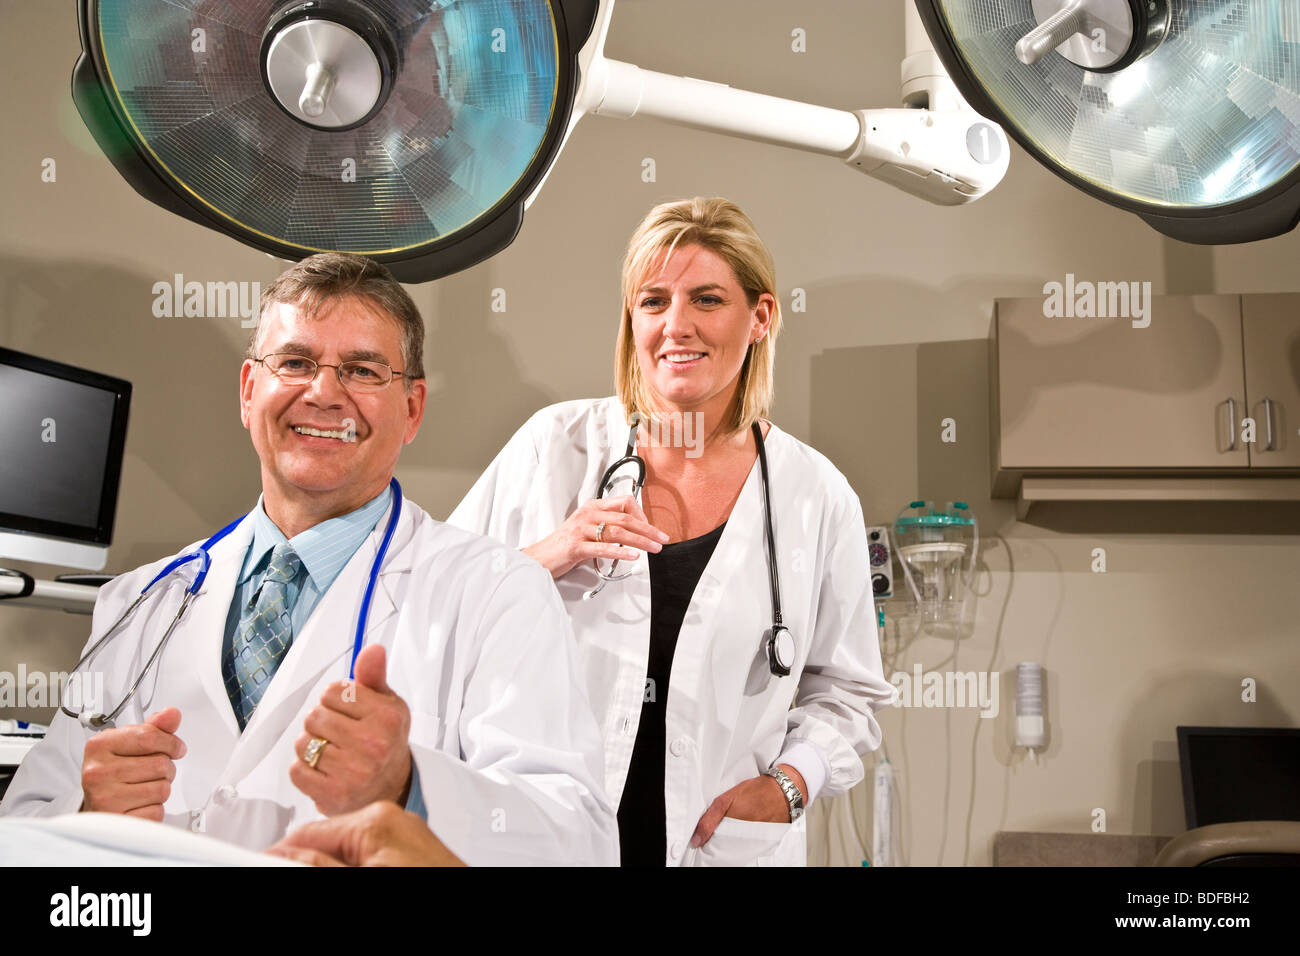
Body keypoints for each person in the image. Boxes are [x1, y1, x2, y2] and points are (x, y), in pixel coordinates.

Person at [0, 253, 617, 866]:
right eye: (294, 362)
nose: (324, 393)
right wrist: (84, 818)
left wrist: (410, 785)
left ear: (412, 408)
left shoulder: (497, 593)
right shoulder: (140, 600)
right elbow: (21, 831)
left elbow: (578, 844)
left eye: (363, 370)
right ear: (249, 392)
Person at [447, 197, 898, 866]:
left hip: (718, 847)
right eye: (653, 301)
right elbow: (439, 612)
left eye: (707, 300)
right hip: (544, 838)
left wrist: (790, 787)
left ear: (761, 317)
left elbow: (849, 690)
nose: (676, 326)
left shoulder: (815, 496)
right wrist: (545, 554)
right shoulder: (555, 449)